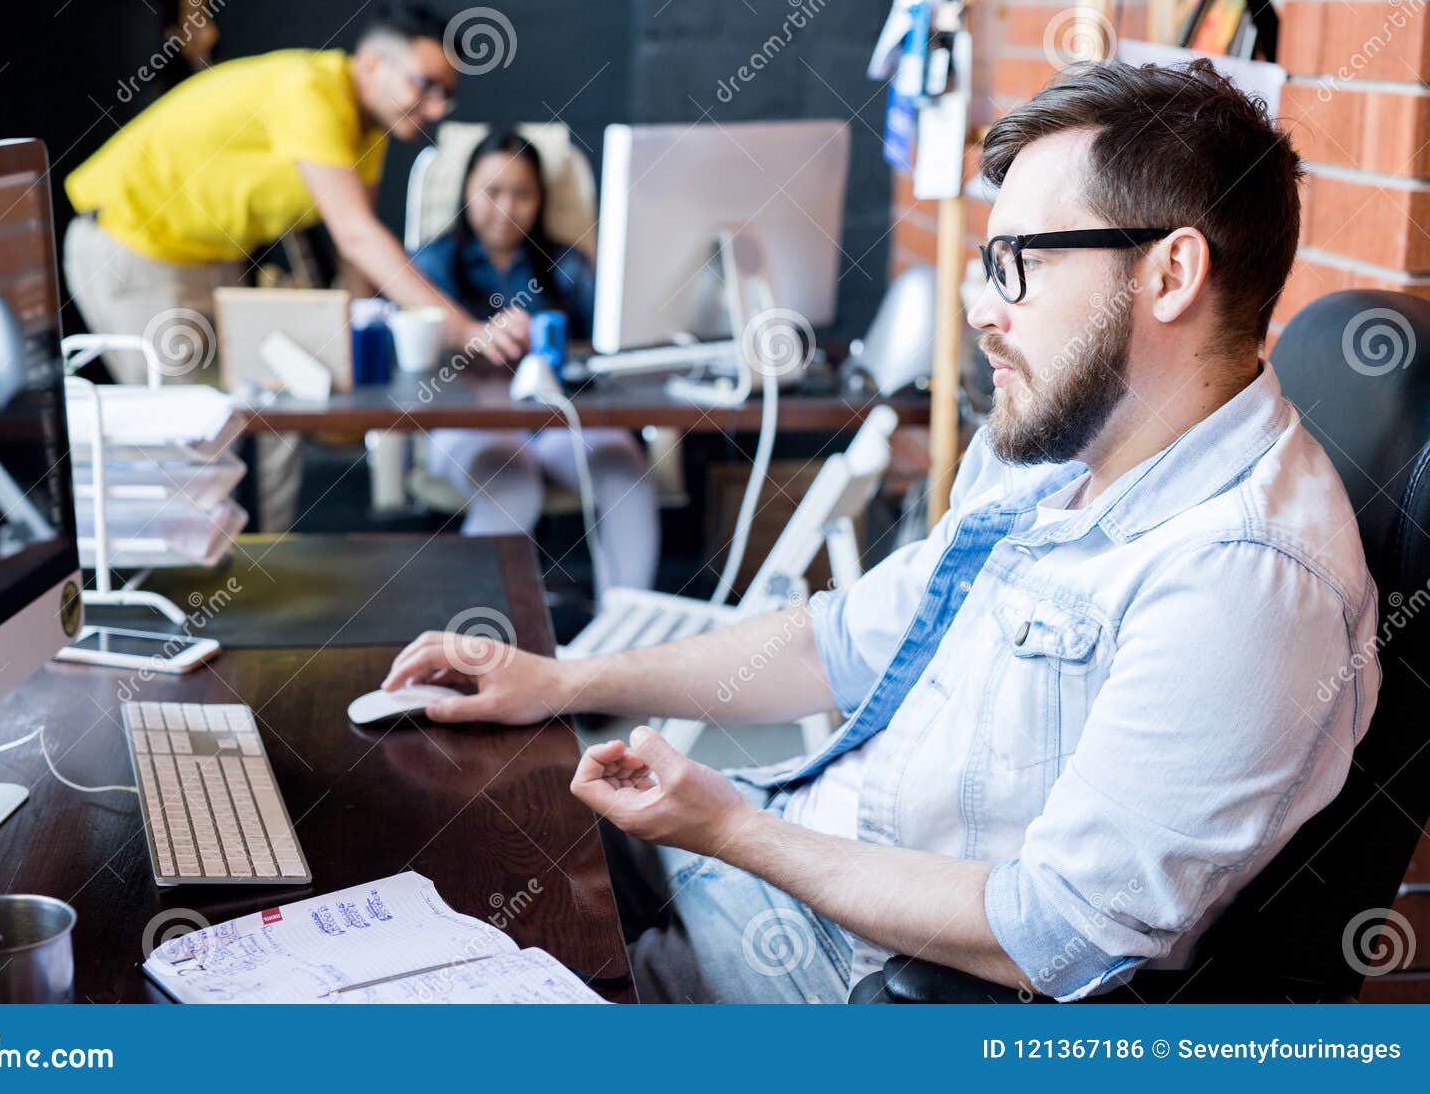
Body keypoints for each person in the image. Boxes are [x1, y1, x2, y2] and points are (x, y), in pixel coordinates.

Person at [382, 59, 1381, 1003]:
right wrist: (563, 682)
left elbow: (1059, 928)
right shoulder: (1059, 452)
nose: (984, 309)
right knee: (430, 830)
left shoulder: (1241, 580)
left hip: (831, 976)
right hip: (763, 869)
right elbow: (845, 637)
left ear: (1170, 275)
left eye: (1016, 262)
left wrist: (728, 826)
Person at [62, 1, 504, 531]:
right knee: (182, 436)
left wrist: (357, 346)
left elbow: (353, 251)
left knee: (276, 411)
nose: (434, 108)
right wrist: (466, 331)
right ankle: (183, 592)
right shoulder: (312, 91)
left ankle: (262, 566)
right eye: (425, 85)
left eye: (446, 96)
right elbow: (358, 236)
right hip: (132, 245)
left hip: (210, 259)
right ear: (371, 65)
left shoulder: (372, 131)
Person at [412, 130, 659, 595]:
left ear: (541, 199)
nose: (505, 207)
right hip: (464, 423)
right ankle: (470, 643)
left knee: (625, 471)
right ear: (466, 191)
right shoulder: (429, 266)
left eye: (522, 193)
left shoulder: (569, 267)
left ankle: (624, 635)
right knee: (512, 485)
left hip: (558, 421)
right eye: (491, 192)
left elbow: (611, 348)